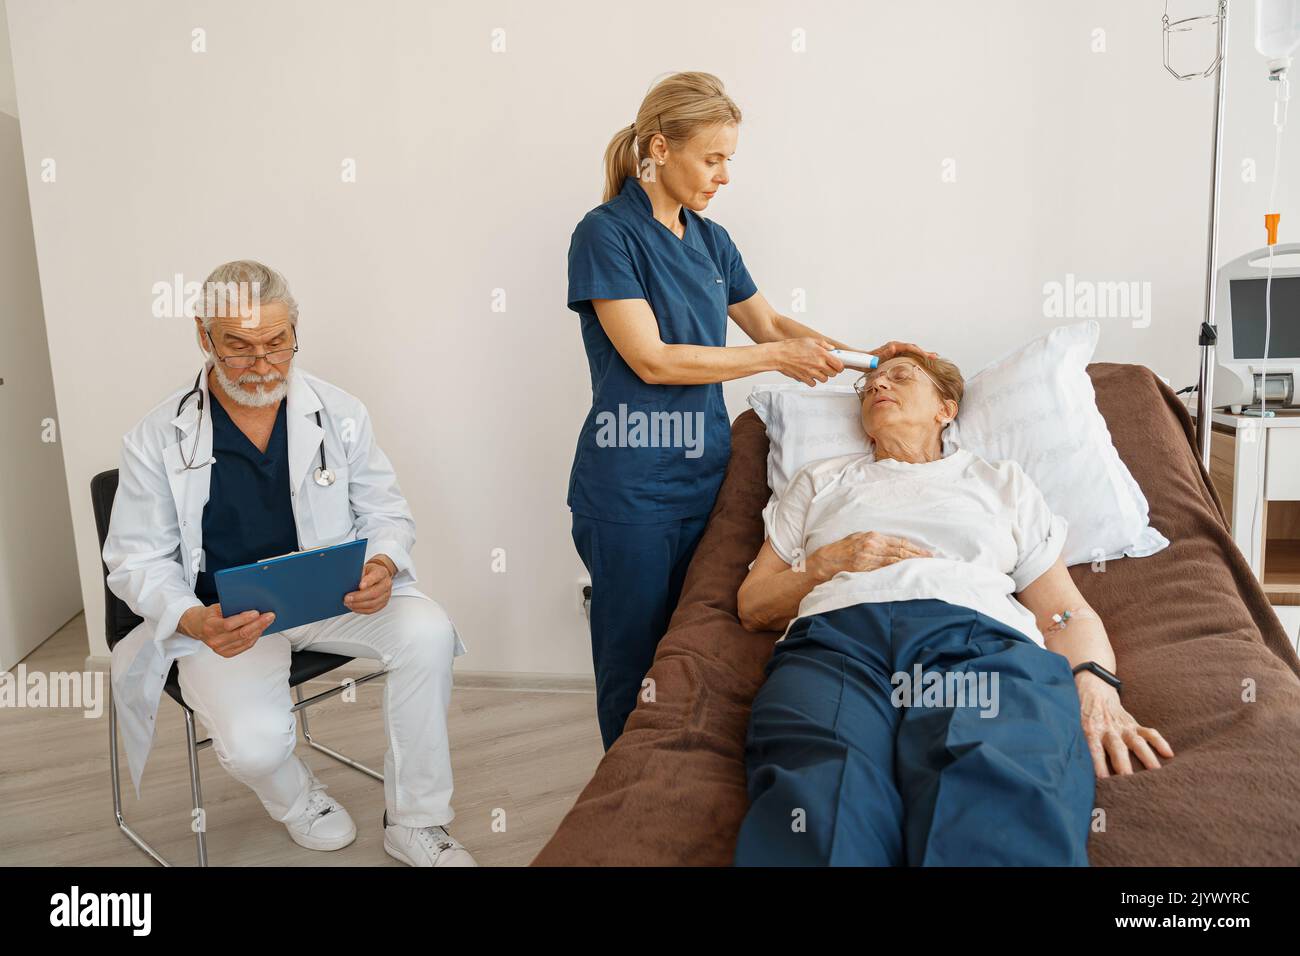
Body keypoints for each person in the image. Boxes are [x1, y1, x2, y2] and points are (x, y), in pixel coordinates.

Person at [566, 70, 933, 750]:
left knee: (693, 647)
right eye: (713, 158)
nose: (725, 175)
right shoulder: (605, 235)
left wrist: (868, 360)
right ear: (659, 148)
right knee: (631, 663)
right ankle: (626, 793)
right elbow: (652, 358)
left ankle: (679, 779)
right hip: (630, 488)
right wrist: (773, 362)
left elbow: (769, 326)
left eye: (729, 158)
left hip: (705, 479)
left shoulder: (711, 241)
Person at [732, 351, 1175, 865]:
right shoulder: (819, 480)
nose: (877, 386)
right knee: (819, 792)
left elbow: (1064, 613)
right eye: (868, 384)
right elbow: (752, 606)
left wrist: (1098, 689)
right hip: (836, 644)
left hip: (976, 644)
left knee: (994, 778)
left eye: (900, 377)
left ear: (946, 409)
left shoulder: (1000, 482)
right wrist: (824, 566)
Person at [104, 259, 475, 866]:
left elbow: (387, 512)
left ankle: (417, 820)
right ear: (204, 337)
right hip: (227, 621)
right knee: (252, 749)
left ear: (295, 330)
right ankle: (299, 798)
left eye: (277, 343)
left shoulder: (340, 412)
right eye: (240, 348)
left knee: (428, 632)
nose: (264, 364)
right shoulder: (156, 437)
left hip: (330, 600)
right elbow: (135, 559)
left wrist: (382, 562)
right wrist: (193, 620)